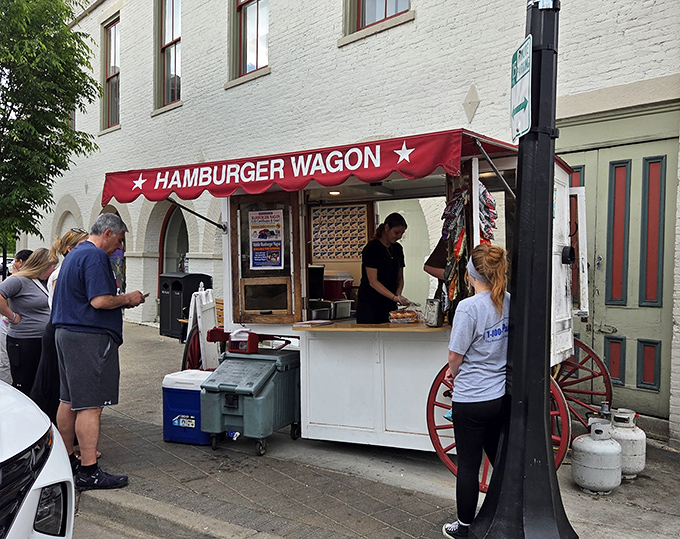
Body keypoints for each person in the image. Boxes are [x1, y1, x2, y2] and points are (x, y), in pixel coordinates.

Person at [52, 214, 145, 491]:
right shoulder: (94, 257)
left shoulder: (74, 254)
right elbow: (100, 300)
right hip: (88, 336)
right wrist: (129, 299)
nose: (118, 248)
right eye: (118, 241)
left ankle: (67, 461)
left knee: (67, 401)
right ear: (107, 233)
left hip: (65, 333)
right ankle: (89, 471)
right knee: (90, 406)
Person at [441, 244, 510, 539]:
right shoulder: (508, 300)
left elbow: (455, 355)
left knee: (468, 465)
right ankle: (503, 513)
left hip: (471, 398)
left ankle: (465, 527)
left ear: (470, 274)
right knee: (499, 459)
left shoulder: (468, 307)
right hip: (498, 395)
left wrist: (451, 372)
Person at [30, 228, 89, 423]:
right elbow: (62, 305)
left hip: (63, 328)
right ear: (70, 249)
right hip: (59, 329)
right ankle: (52, 428)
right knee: (54, 383)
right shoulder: (60, 274)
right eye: (84, 244)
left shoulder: (69, 270)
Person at [0, 249, 58, 395]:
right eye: (52, 266)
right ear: (42, 265)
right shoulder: (18, 280)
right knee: (25, 383)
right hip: (24, 341)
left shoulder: (41, 283)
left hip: (40, 340)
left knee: (39, 383)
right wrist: (12, 316)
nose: (54, 270)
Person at [355, 212, 410, 324]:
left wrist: (398, 295)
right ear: (386, 227)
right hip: (370, 304)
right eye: (396, 232)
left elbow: (400, 278)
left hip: (389, 303)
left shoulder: (398, 249)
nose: (399, 236)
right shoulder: (372, 248)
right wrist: (394, 297)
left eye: (402, 233)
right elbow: (373, 281)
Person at [0, 250, 33, 385]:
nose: (13, 263)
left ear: (20, 262)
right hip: (6, 323)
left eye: (15, 260)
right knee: (5, 359)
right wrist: (12, 316)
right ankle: (7, 388)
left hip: (13, 326)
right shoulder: (15, 280)